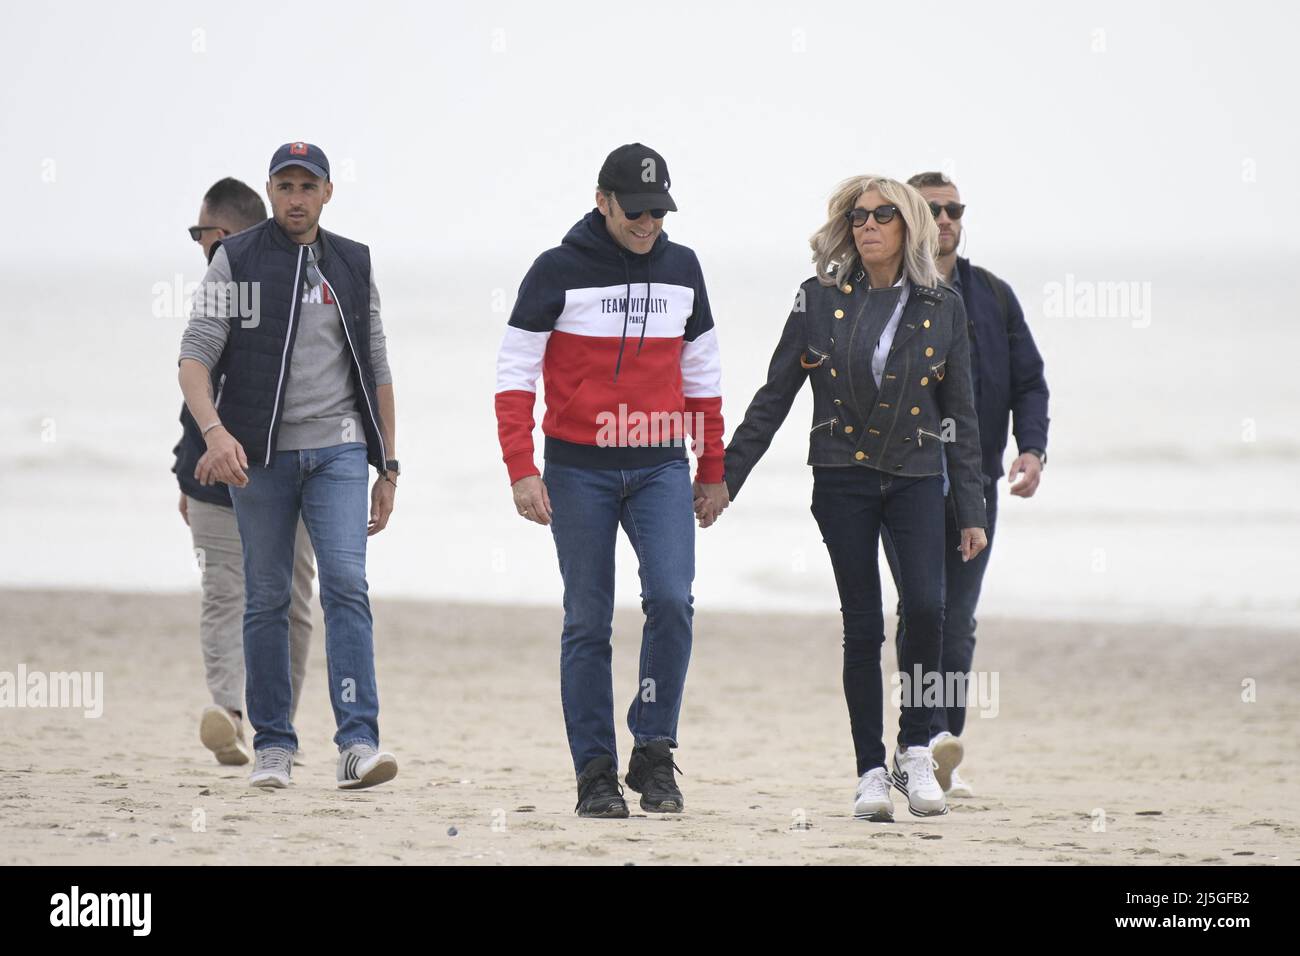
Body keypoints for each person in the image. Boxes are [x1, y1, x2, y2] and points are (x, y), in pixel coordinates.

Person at [723, 175, 987, 821]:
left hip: (918, 476)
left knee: (927, 608)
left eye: (884, 214)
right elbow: (774, 394)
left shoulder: (942, 304)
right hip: (840, 476)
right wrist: (724, 477)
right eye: (858, 215)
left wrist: (973, 509)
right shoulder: (815, 300)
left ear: (910, 226)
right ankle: (871, 769)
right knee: (862, 626)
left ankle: (915, 750)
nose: (869, 224)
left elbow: (963, 414)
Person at [493, 143, 727, 817]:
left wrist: (711, 471)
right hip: (578, 470)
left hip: (659, 465)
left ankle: (653, 753)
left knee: (672, 601)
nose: (649, 222)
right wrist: (521, 470)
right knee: (588, 622)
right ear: (603, 201)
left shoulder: (684, 269)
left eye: (660, 210)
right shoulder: (556, 271)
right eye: (636, 210)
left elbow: (703, 380)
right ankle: (594, 772)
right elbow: (513, 377)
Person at [178, 142, 401, 791]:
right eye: (285, 186)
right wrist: (214, 434)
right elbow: (194, 357)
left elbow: (379, 367)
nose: (296, 198)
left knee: (344, 586)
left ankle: (358, 743)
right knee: (267, 596)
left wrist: (387, 465)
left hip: (337, 453)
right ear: (270, 191)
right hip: (261, 457)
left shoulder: (352, 263)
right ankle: (273, 745)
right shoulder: (237, 260)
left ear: (327, 192)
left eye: (308, 186)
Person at [880, 171, 1051, 798]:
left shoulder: (994, 298)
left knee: (959, 622)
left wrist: (1031, 448)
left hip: (975, 479)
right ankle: (915, 745)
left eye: (955, 209)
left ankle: (942, 749)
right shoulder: (887, 295)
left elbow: (1030, 381)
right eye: (933, 209)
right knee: (923, 612)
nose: (946, 219)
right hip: (905, 478)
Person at [174, 177, 316, 767]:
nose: (198, 243)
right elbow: (195, 379)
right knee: (234, 594)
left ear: (223, 234)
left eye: (199, 232)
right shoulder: (216, 291)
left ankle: (268, 723)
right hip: (210, 472)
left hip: (286, 472)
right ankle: (232, 716)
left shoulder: (290, 286)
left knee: (282, 601)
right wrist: (186, 470)